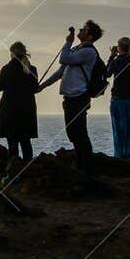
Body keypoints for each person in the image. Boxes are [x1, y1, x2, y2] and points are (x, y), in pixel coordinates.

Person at [40, 19, 102, 174]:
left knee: (79, 132)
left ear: (90, 36)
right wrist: (44, 85)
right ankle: (81, 163)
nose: (80, 30)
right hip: (70, 98)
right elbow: (61, 71)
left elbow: (63, 59)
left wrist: (67, 42)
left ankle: (86, 167)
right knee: (73, 132)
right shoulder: (76, 49)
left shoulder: (88, 51)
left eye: (84, 29)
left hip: (79, 97)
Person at [0, 41, 42, 183]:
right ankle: (28, 172)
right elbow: (34, 88)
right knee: (26, 143)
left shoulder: (6, 69)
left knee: (12, 144)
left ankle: (12, 175)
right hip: (27, 111)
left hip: (9, 111)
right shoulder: (32, 69)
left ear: (12, 53)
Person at [107, 36, 130, 161]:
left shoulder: (116, 61)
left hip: (117, 100)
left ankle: (119, 157)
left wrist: (112, 56)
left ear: (119, 47)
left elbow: (107, 73)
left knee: (118, 131)